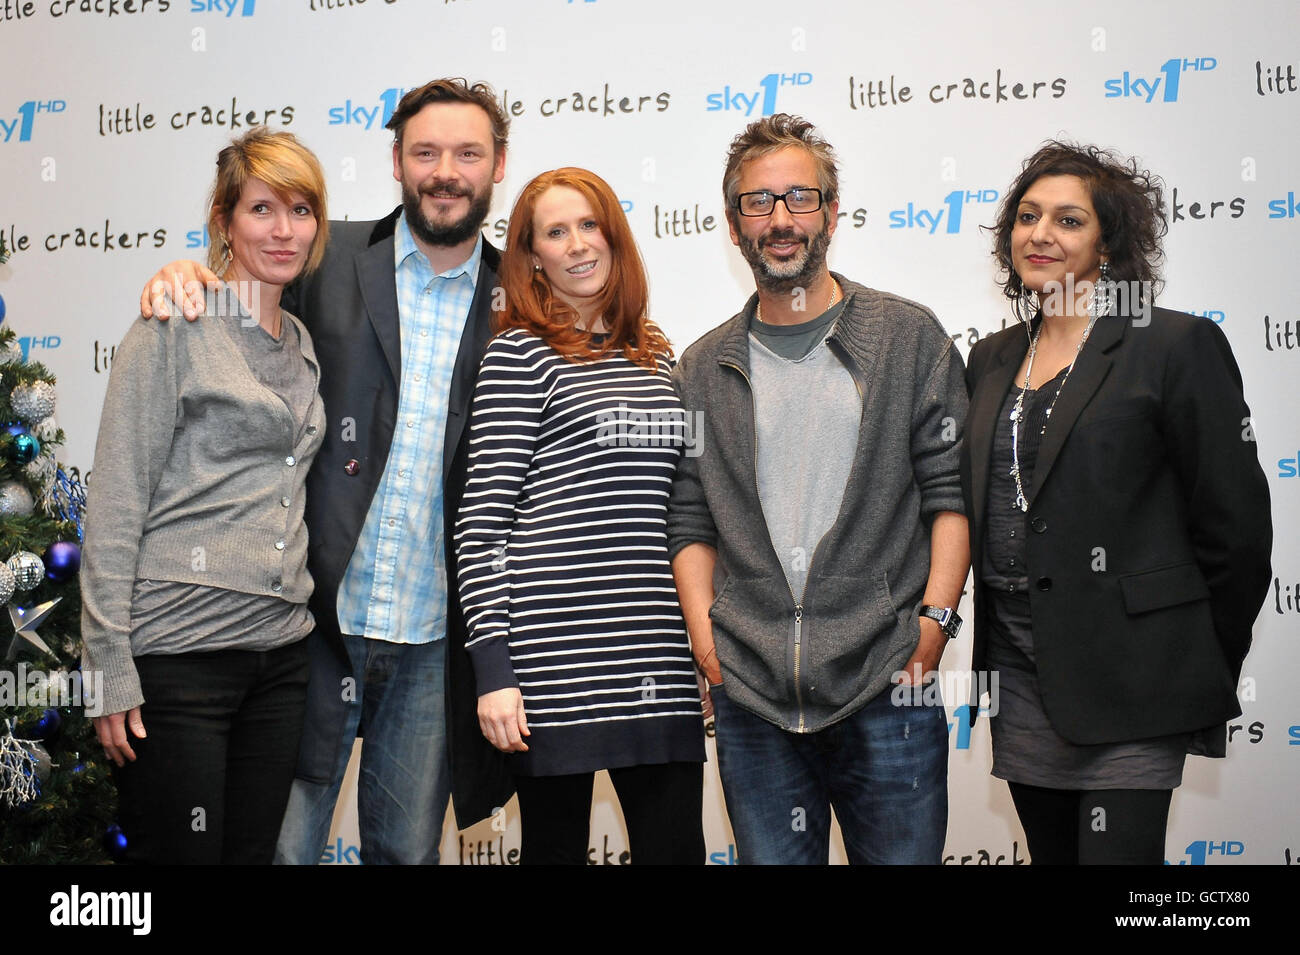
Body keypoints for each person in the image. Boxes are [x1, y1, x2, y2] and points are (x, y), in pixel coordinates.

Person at [136, 79, 514, 865]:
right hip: (308, 632)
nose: (445, 170)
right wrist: (186, 272)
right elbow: (244, 290)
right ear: (397, 163)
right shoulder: (325, 253)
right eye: (425, 152)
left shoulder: (523, 295)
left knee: (405, 855)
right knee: (278, 848)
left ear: (498, 166)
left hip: (434, 641)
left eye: (467, 153)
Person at [667, 114, 969, 865]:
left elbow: (949, 499)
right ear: (734, 225)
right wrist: (711, 649)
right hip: (753, 700)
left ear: (832, 211)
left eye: (800, 198)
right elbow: (692, 522)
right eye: (758, 202)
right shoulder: (703, 366)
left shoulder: (907, 338)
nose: (780, 219)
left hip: (886, 686)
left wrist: (929, 632)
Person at [960, 141, 1273, 865]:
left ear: (1109, 242)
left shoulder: (1172, 344)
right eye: (1028, 216)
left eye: (1069, 221)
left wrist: (1186, 654)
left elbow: (1236, 532)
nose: (1041, 234)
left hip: (1136, 679)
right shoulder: (993, 357)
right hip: (1022, 675)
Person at [82, 128, 329, 864]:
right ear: (223, 221)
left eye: (301, 209)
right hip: (178, 661)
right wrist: (107, 667)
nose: (283, 229)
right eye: (261, 209)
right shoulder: (174, 325)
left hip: (281, 659)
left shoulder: (302, 343)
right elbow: (117, 501)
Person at [455, 167, 706, 865]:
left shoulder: (656, 357)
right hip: (551, 667)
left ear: (614, 235)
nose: (577, 245)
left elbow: (683, 511)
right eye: (555, 232)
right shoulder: (518, 355)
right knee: (555, 853)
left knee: (677, 852)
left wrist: (701, 647)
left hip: (655, 654)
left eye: (589, 225)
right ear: (532, 257)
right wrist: (494, 669)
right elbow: (482, 524)